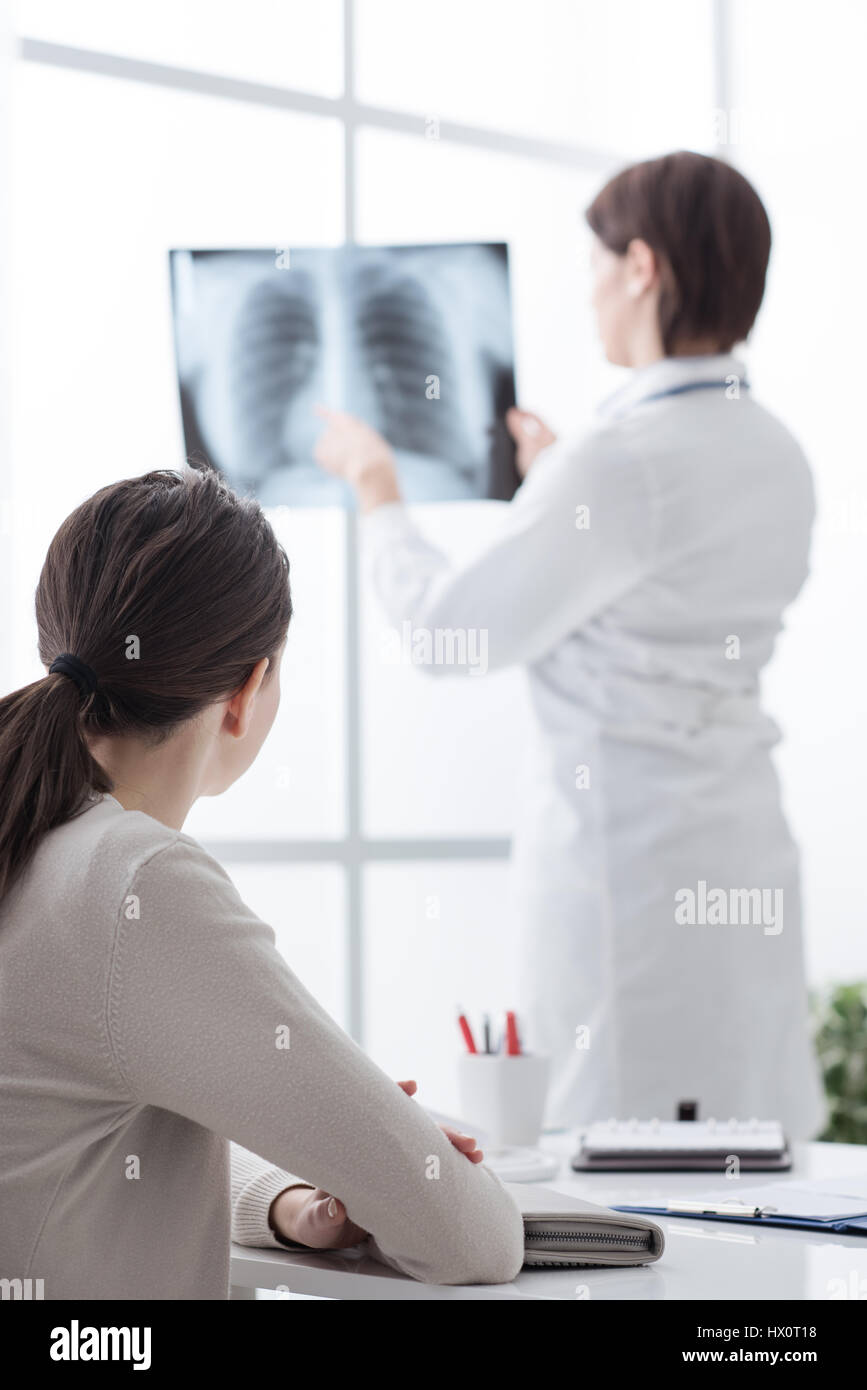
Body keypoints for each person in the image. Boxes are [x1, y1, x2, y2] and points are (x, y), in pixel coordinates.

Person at [314, 150, 826, 1138]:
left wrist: (379, 490)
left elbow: (451, 634)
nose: (586, 289)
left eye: (596, 263)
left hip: (624, 868)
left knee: (623, 1164)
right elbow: (664, 584)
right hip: (739, 849)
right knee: (744, 1148)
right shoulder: (776, 452)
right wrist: (561, 487)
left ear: (642, 267)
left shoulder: (618, 460)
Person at [0, 464, 524, 1299]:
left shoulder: (37, 844)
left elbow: (76, 1131)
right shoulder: (134, 888)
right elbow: (473, 1239)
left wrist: (280, 1197)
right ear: (247, 691)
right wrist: (395, 1154)